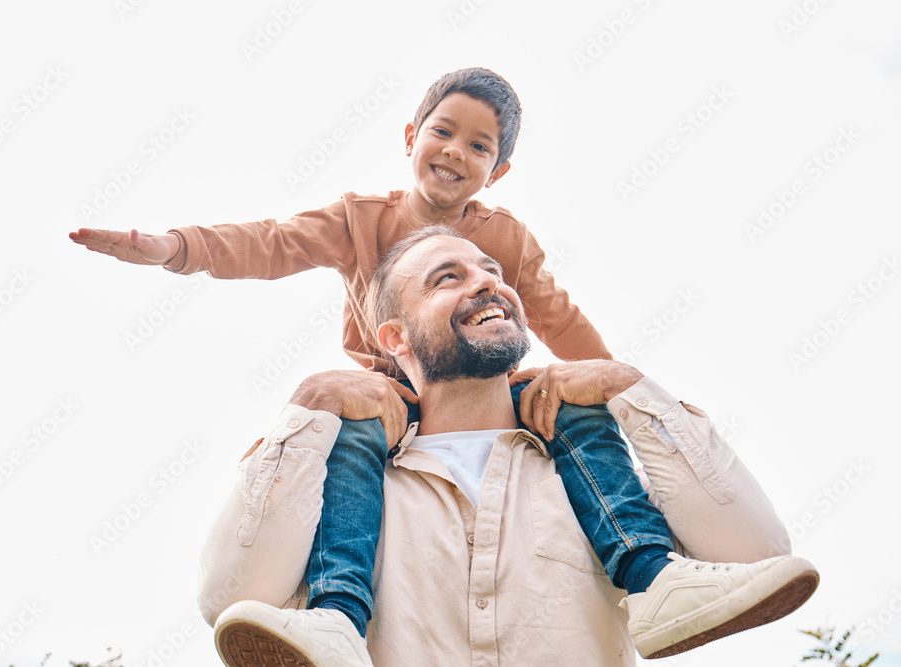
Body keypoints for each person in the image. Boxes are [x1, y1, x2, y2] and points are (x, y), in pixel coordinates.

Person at [69, 68, 801, 658]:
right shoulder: (362, 218)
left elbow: (554, 313)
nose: (455, 150)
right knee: (353, 438)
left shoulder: (504, 236)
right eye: (444, 131)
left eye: (479, 145)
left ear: (499, 168)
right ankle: (337, 613)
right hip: (384, 396)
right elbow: (271, 241)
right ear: (412, 135)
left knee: (568, 406)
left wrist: (607, 380)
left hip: (489, 384)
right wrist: (175, 249)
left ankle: (654, 576)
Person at [199, 228, 819, 666]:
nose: (488, 285)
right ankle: (340, 617)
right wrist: (310, 403)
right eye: (449, 278)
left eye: (493, 274)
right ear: (395, 337)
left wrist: (630, 386)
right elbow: (231, 602)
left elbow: (753, 551)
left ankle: (652, 579)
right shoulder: (346, 487)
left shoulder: (595, 474)